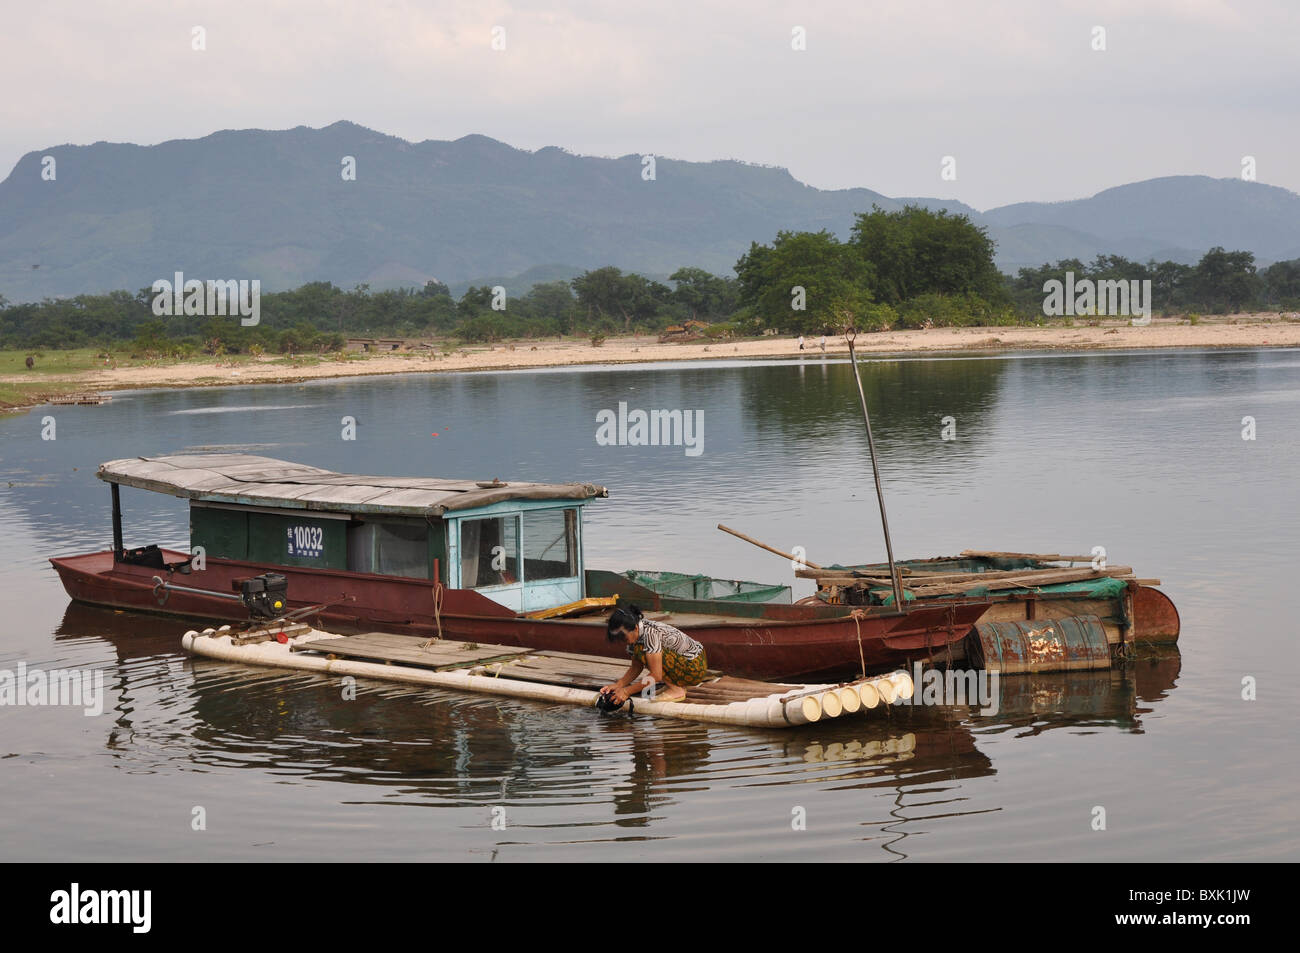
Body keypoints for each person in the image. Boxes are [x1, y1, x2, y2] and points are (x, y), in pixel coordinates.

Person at [601, 605, 708, 703]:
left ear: (635, 628)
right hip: (684, 663)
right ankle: (673, 683)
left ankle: (676, 690)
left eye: (623, 637)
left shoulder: (650, 634)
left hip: (695, 667)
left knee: (644, 651)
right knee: (642, 651)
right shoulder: (635, 636)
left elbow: (656, 675)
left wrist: (626, 692)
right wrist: (618, 685)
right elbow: (636, 667)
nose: (622, 641)